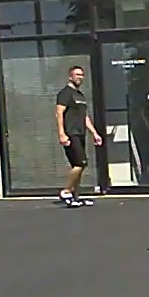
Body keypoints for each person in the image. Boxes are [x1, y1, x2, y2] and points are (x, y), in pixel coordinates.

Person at [55, 65, 103, 207]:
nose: (80, 77)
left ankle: (74, 197)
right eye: (77, 75)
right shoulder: (65, 93)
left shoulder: (79, 95)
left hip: (81, 133)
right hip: (71, 133)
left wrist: (94, 133)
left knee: (79, 165)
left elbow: (84, 117)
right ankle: (66, 191)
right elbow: (59, 113)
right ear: (70, 76)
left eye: (81, 75)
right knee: (80, 164)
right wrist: (62, 134)